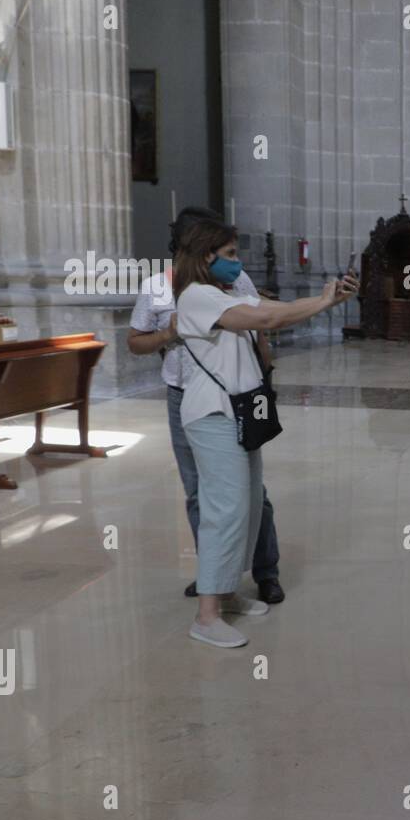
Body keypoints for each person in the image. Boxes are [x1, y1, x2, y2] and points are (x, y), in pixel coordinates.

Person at [172, 219, 357, 648]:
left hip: (239, 412)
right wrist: (323, 301)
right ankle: (206, 614)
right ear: (206, 257)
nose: (238, 263)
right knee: (225, 510)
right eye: (231, 255)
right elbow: (269, 314)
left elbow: (274, 319)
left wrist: (329, 300)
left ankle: (228, 593)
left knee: (250, 505)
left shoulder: (227, 292)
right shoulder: (196, 296)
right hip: (211, 414)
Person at [128, 206, 285, 605]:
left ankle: (266, 571)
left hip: (237, 395)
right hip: (185, 394)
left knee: (252, 491)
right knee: (199, 491)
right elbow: (135, 342)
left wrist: (265, 378)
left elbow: (258, 328)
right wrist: (168, 333)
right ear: (186, 245)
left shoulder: (235, 278)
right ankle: (215, 576)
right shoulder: (156, 289)